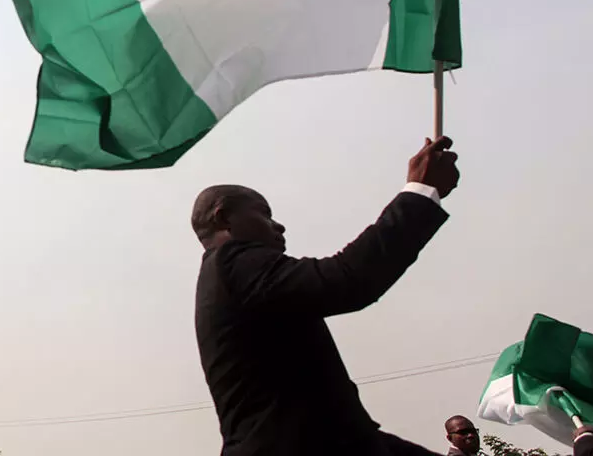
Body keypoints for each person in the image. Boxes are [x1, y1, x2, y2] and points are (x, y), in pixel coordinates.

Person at [193, 136, 460, 456]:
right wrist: (421, 191)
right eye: (265, 214)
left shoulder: (239, 282)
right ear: (224, 217)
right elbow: (349, 279)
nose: (279, 226)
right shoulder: (233, 264)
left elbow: (333, 424)